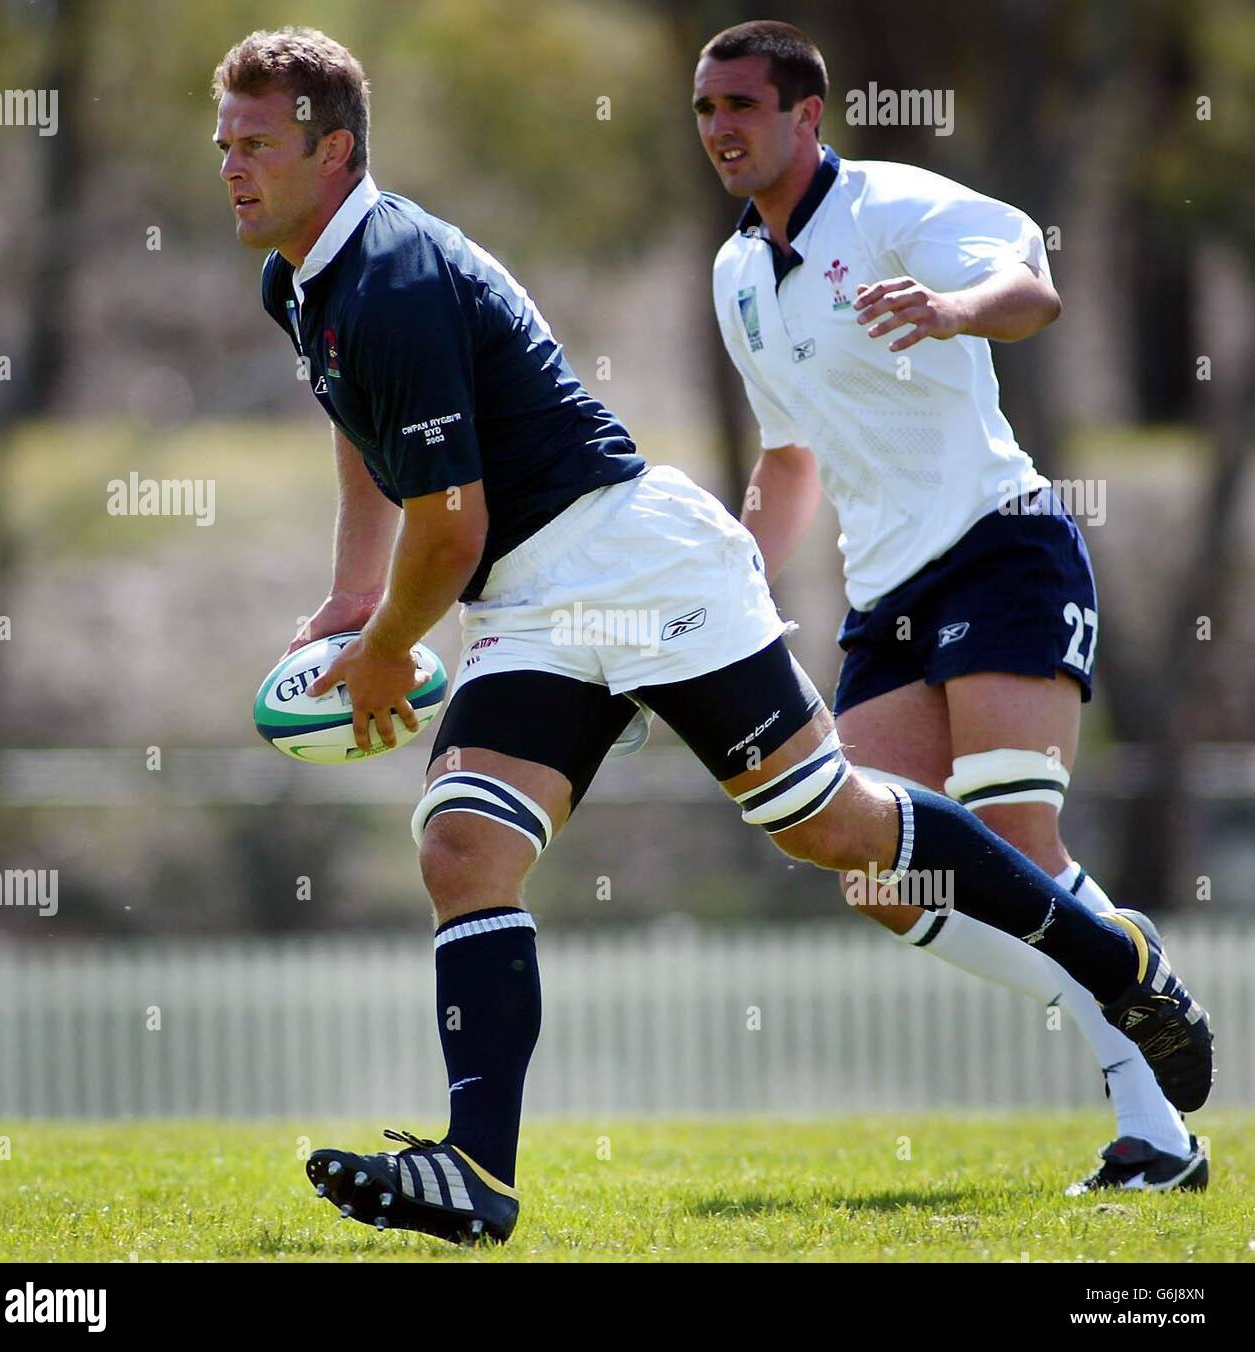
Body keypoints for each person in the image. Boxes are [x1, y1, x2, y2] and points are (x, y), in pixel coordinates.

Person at [211, 26, 1212, 1244]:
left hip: (634, 560)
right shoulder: (307, 280)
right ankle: (478, 1173)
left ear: (335, 152)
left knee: (831, 822)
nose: (231, 164)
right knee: (463, 846)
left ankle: (1120, 973)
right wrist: (351, 601)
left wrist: (383, 653)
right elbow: (362, 428)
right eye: (224, 142)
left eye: (256, 143)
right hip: (530, 599)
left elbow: (451, 523)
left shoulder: (395, 274)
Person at [695, 19, 1208, 1194]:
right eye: (706, 110)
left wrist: (948, 307)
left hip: (1001, 549)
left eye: (742, 106)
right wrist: (727, 588)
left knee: (1016, 839)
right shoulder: (734, 277)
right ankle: (1125, 967)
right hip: (885, 599)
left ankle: (1151, 1133)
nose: (721, 129)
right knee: (880, 875)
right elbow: (786, 461)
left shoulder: (890, 203)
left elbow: (1032, 290)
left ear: (805, 115)